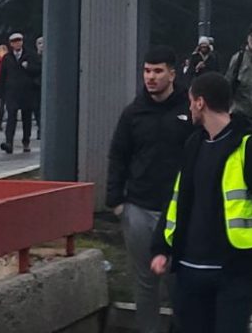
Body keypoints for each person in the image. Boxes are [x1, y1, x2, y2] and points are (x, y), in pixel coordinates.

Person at [151, 73, 252, 330]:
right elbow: (178, 199)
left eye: (190, 101)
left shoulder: (251, 147)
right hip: (189, 269)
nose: (189, 108)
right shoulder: (194, 143)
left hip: (233, 271)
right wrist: (161, 247)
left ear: (200, 103)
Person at [106, 46, 195, 333]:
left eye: (157, 71)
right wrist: (117, 202)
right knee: (145, 283)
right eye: (147, 71)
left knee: (179, 281)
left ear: (172, 73)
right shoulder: (133, 113)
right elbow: (118, 155)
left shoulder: (189, 110)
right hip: (139, 208)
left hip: (180, 211)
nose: (151, 77)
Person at [0, 30, 39, 154]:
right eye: (14, 42)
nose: (17, 44)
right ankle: (9, 142)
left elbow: (38, 69)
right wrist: (0, 95)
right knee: (11, 117)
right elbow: (2, 76)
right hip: (12, 92)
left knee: (26, 118)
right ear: (11, 44)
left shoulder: (30, 55)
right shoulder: (7, 58)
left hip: (27, 92)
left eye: (19, 41)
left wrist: (28, 67)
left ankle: (26, 141)